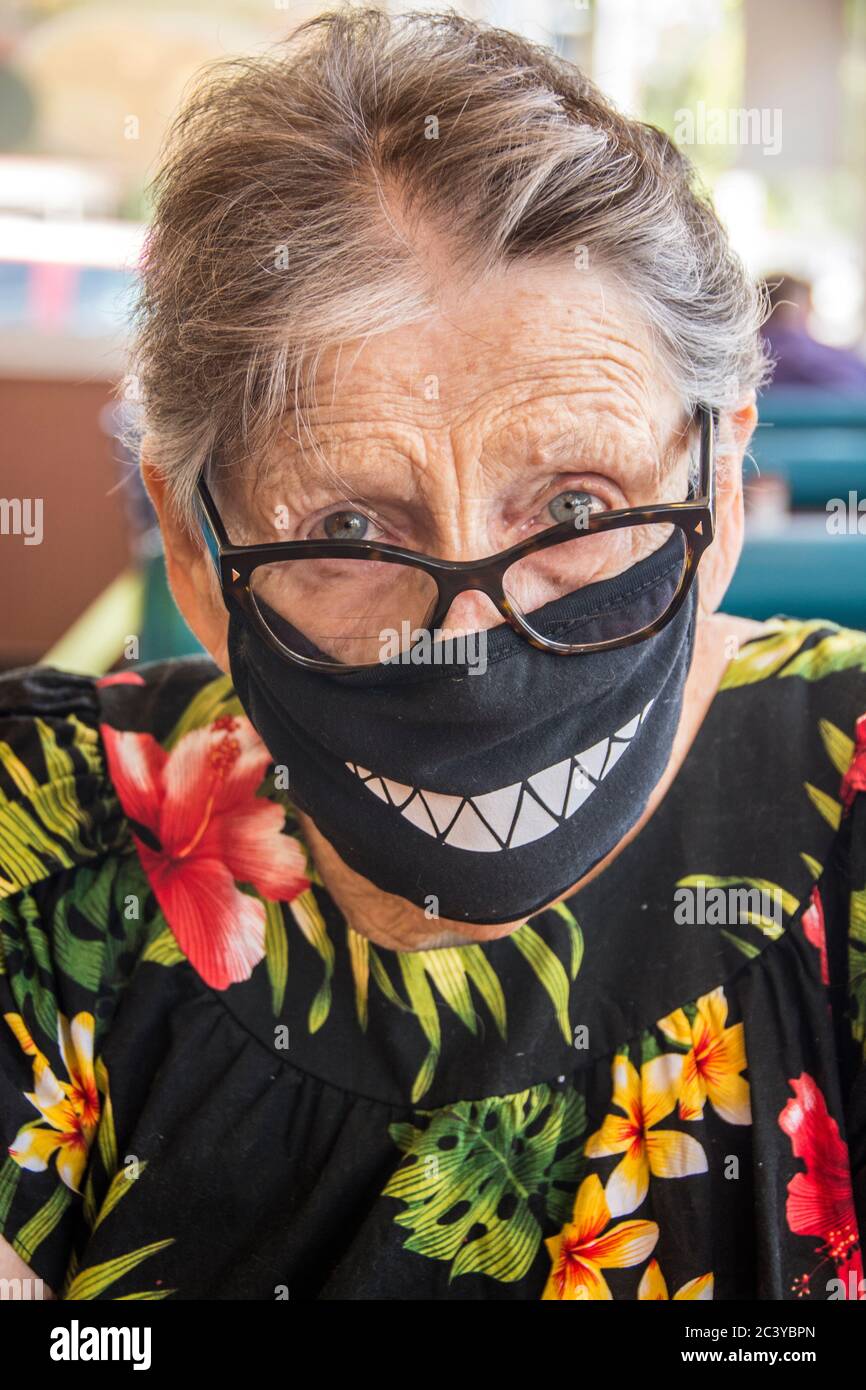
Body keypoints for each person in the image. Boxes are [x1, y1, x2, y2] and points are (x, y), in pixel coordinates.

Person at [1, 6, 865, 1302]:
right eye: (346, 526)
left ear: (722, 485)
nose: (469, 645)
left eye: (575, 510)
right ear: (192, 548)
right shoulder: (36, 840)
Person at [760, 273, 866, 391]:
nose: (810, 313)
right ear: (787, 307)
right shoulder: (794, 350)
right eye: (807, 306)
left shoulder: (752, 353)